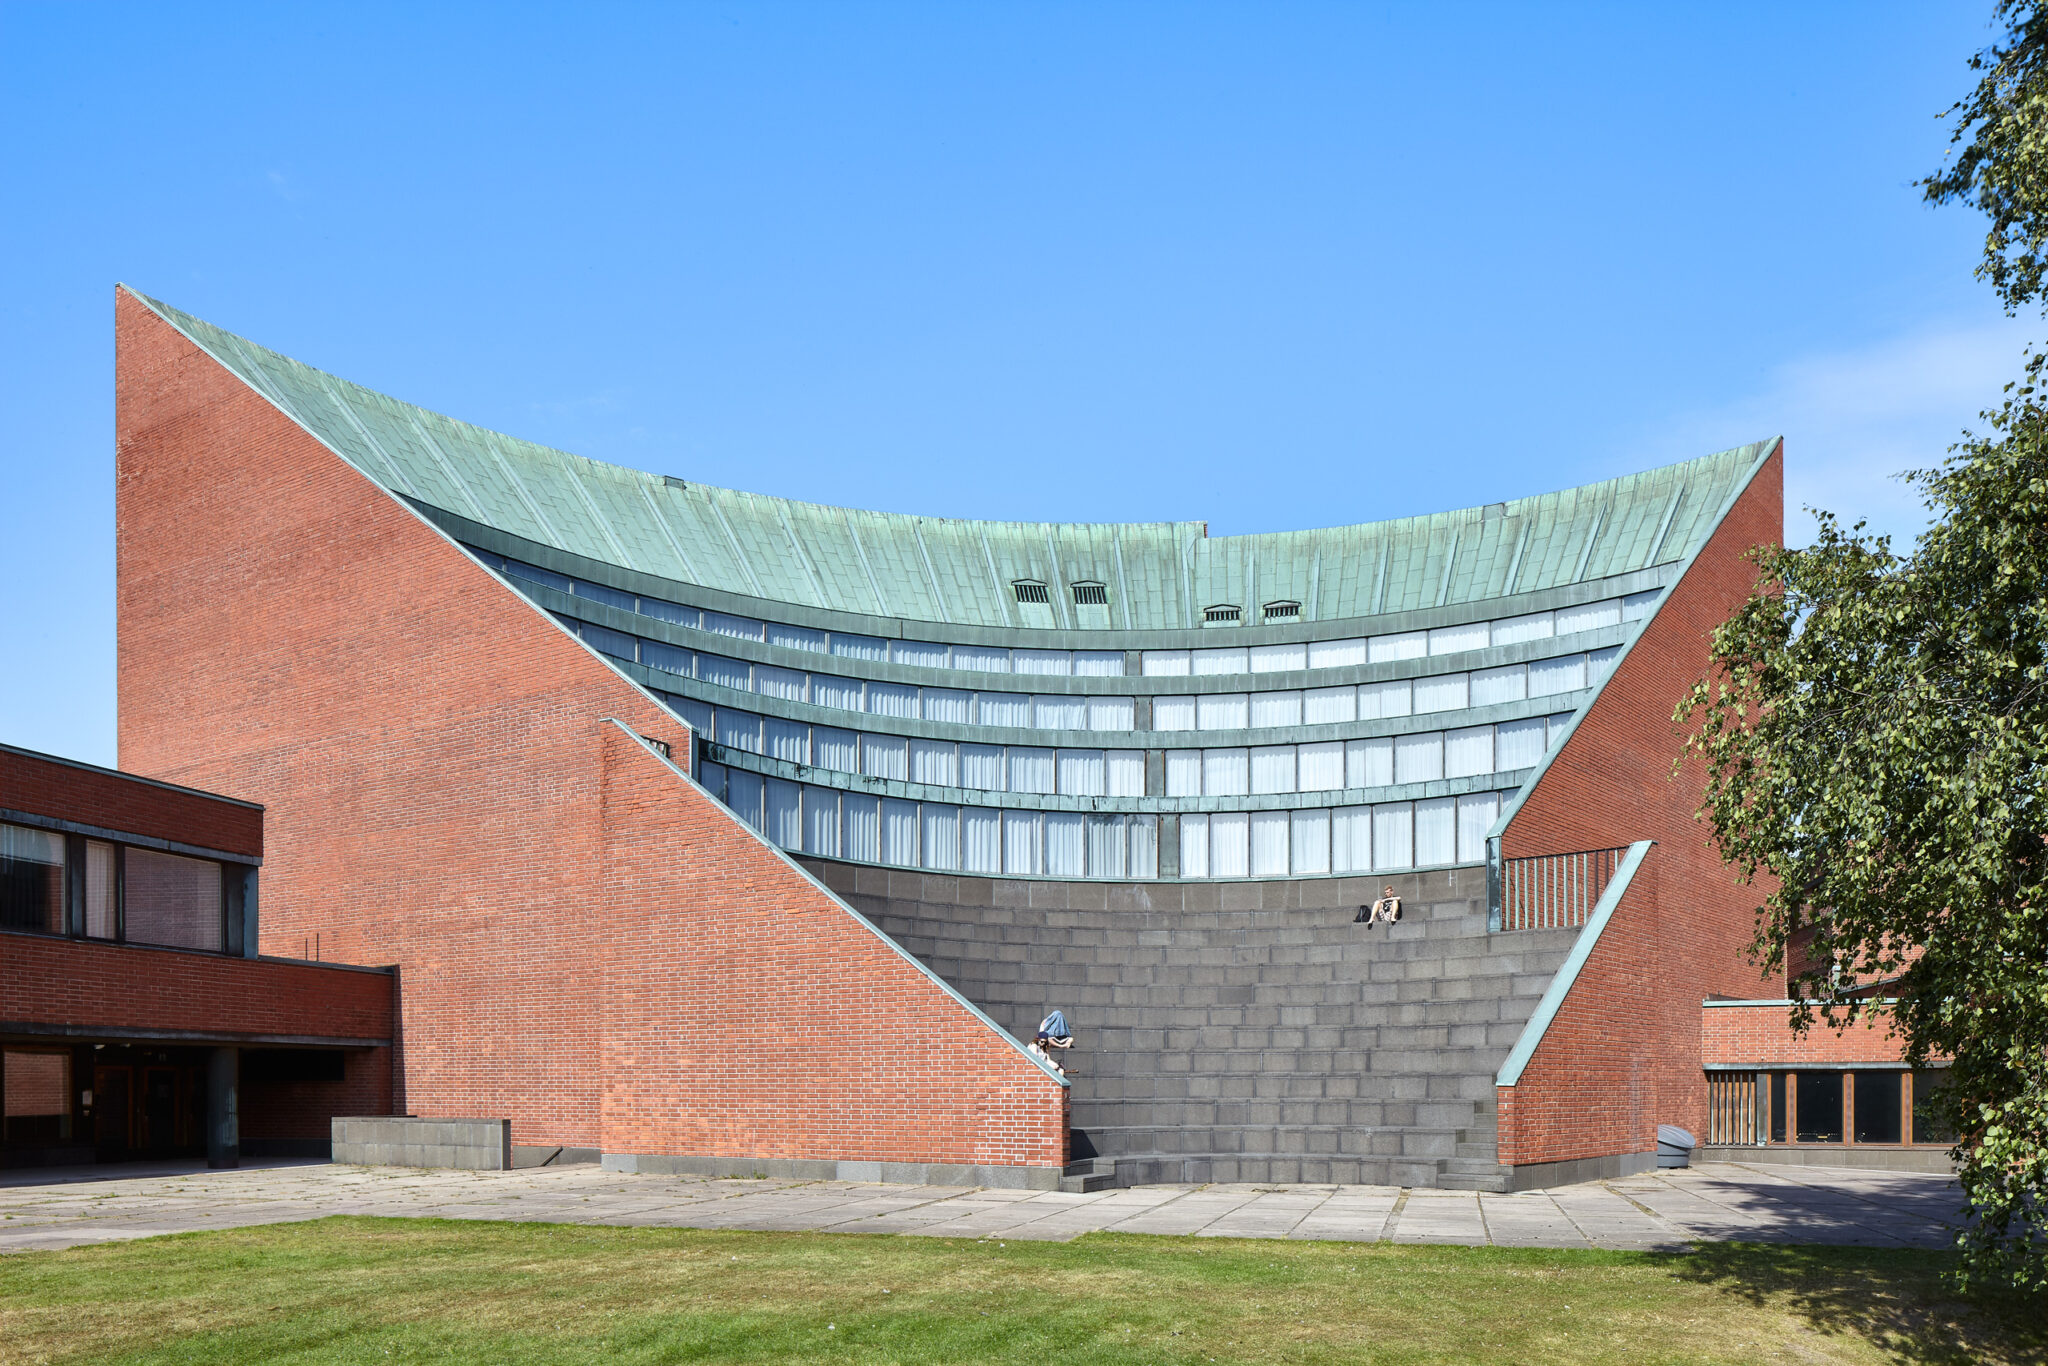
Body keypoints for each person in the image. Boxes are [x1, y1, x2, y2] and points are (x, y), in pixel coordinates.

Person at [1029, 1009, 1073, 1073]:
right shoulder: (1034, 1046)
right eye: (1042, 1042)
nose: (1043, 1043)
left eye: (1044, 1042)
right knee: (1057, 1013)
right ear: (1038, 1040)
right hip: (1038, 1066)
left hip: (1045, 1063)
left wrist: (1056, 1065)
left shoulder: (1045, 1047)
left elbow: (1048, 1059)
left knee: (1060, 1070)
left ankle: (1059, 1082)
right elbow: (1035, 1061)